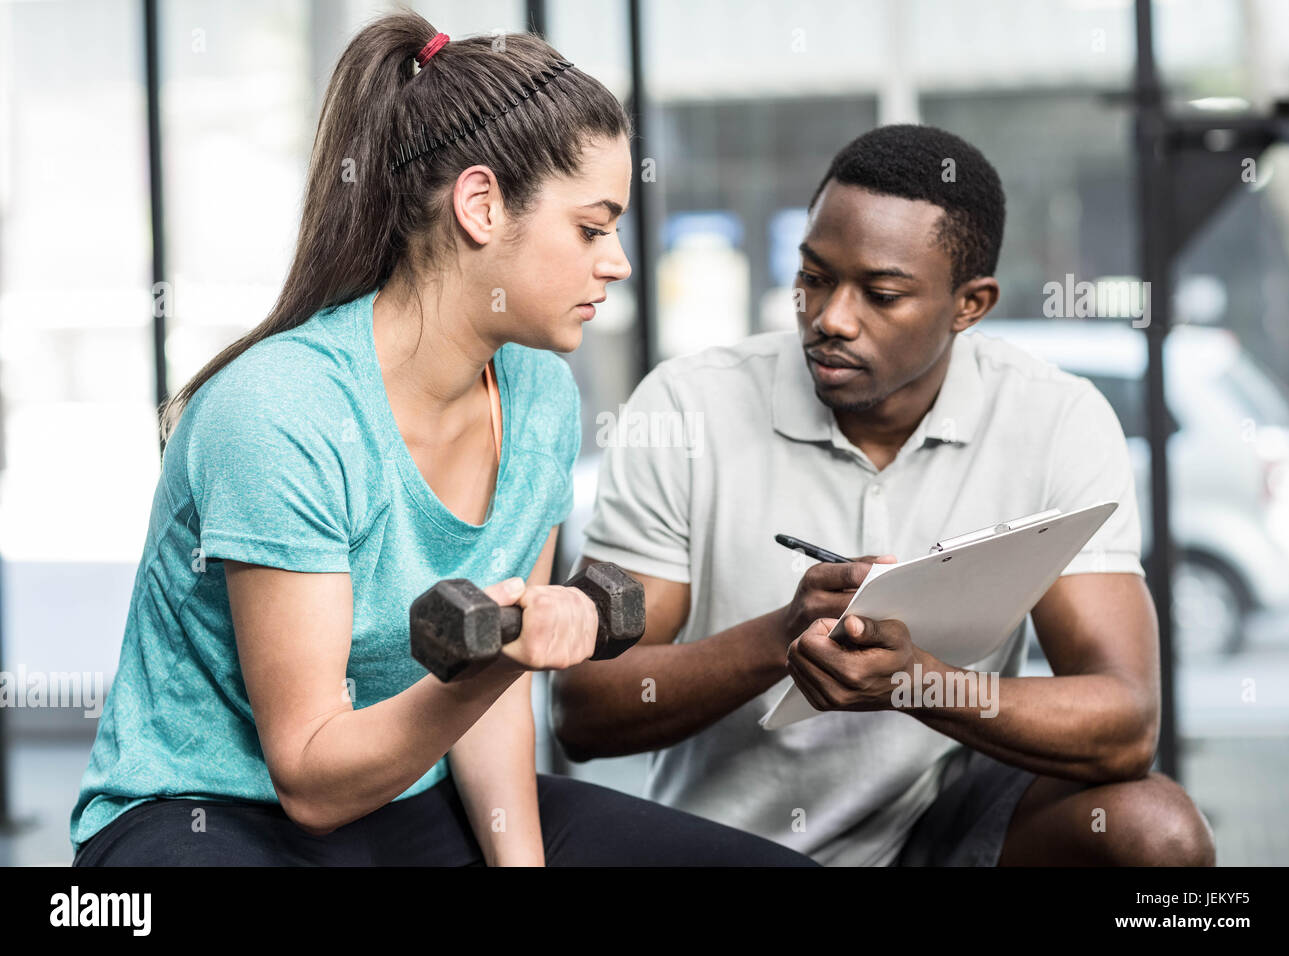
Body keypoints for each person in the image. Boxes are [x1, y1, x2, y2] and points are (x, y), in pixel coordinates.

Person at [69, 13, 814, 867]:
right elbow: (312, 779)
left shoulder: (539, 395)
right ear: (481, 205)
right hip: (209, 818)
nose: (618, 262)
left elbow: (491, 698)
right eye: (591, 227)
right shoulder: (282, 412)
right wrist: (504, 656)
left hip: (406, 798)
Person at [553, 123, 1217, 867]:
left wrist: (917, 683)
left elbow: (1126, 723)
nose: (831, 317)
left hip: (943, 836)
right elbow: (587, 707)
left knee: (1156, 833)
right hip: (732, 843)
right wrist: (781, 639)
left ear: (971, 304)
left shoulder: (1055, 418)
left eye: (881, 293)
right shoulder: (685, 407)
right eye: (813, 276)